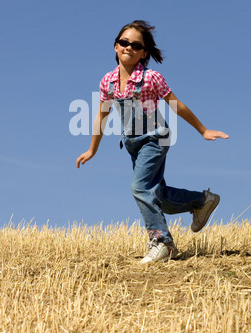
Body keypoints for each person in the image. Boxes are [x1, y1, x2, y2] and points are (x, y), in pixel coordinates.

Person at [76, 20, 229, 264]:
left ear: (144, 53)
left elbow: (176, 105)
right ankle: (203, 200)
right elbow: (102, 115)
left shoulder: (151, 78)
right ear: (115, 46)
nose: (129, 48)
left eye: (136, 45)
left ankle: (162, 242)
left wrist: (203, 130)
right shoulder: (108, 82)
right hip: (132, 142)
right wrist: (92, 149)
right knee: (160, 196)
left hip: (156, 138)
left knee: (139, 188)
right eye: (124, 42)